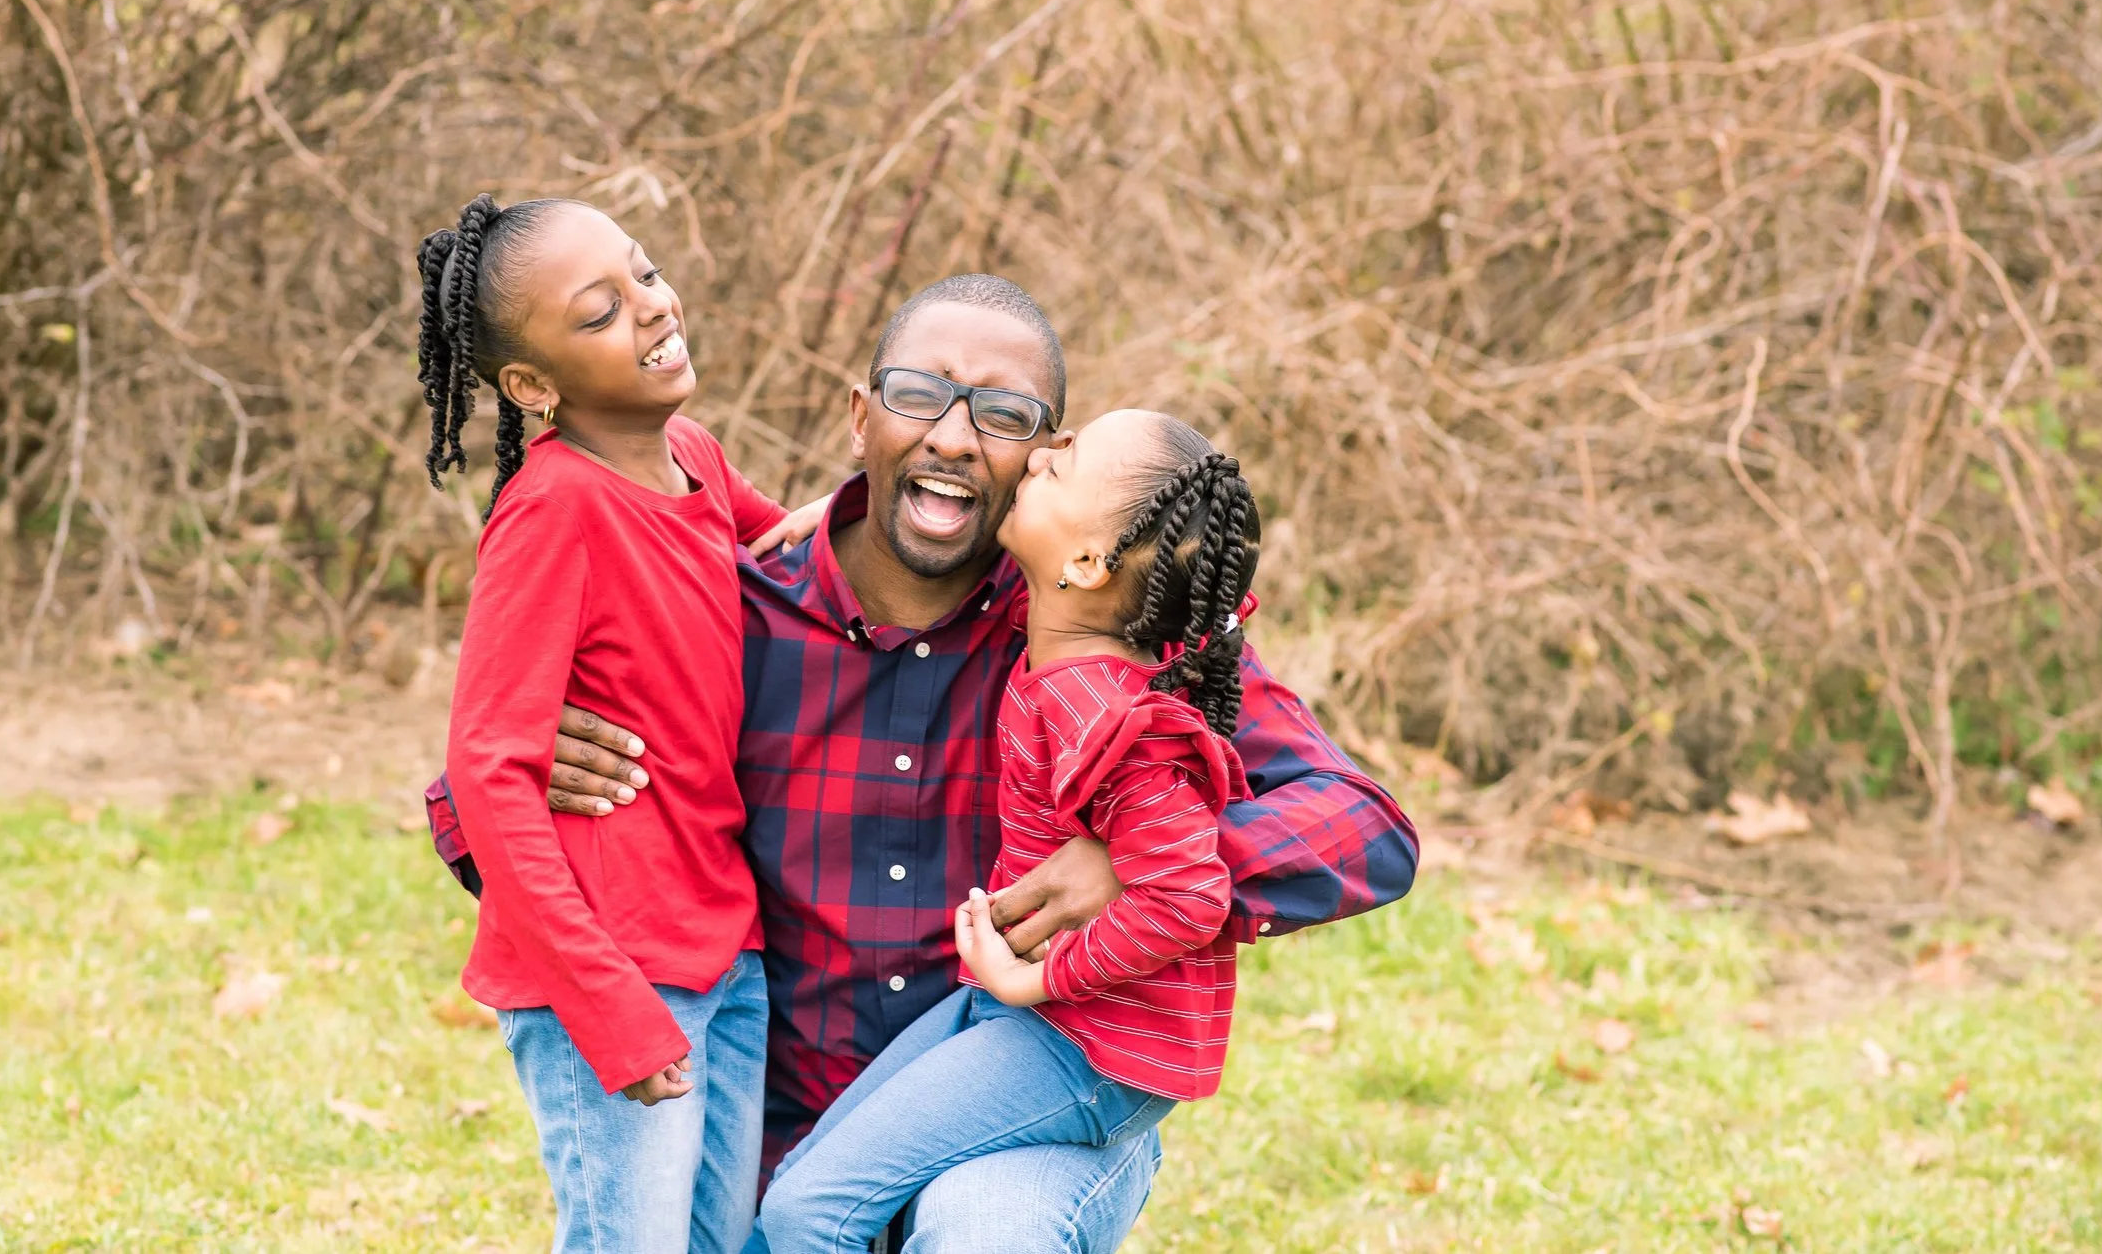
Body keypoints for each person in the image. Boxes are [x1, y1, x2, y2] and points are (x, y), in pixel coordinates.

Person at [435, 273, 1419, 1254]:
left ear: (1046, 461)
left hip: (1026, 1111)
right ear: (860, 419)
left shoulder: (1113, 643)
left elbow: (1367, 827)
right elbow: (476, 799)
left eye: (1002, 414)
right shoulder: (739, 608)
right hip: (781, 1141)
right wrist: (542, 766)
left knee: (981, 1235)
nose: (952, 436)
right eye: (917, 396)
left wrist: (1141, 865)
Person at [749, 411, 1263, 1253]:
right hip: (1027, 1018)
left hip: (1084, 1047)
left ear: (1091, 564)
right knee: (808, 1187)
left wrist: (1043, 978)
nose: (1042, 453)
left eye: (1063, 464)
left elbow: (1189, 894)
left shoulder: (1108, 717)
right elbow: (1211, 595)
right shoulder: (1068, 629)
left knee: (810, 1212)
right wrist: (845, 520)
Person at [417, 193, 785, 1254]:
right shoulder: (552, 511)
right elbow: (489, 772)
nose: (653, 309)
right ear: (531, 385)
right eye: (600, 313)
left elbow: (806, 562)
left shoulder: (700, 462)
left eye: (646, 275)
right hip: (611, 965)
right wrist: (606, 1004)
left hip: (726, 943)